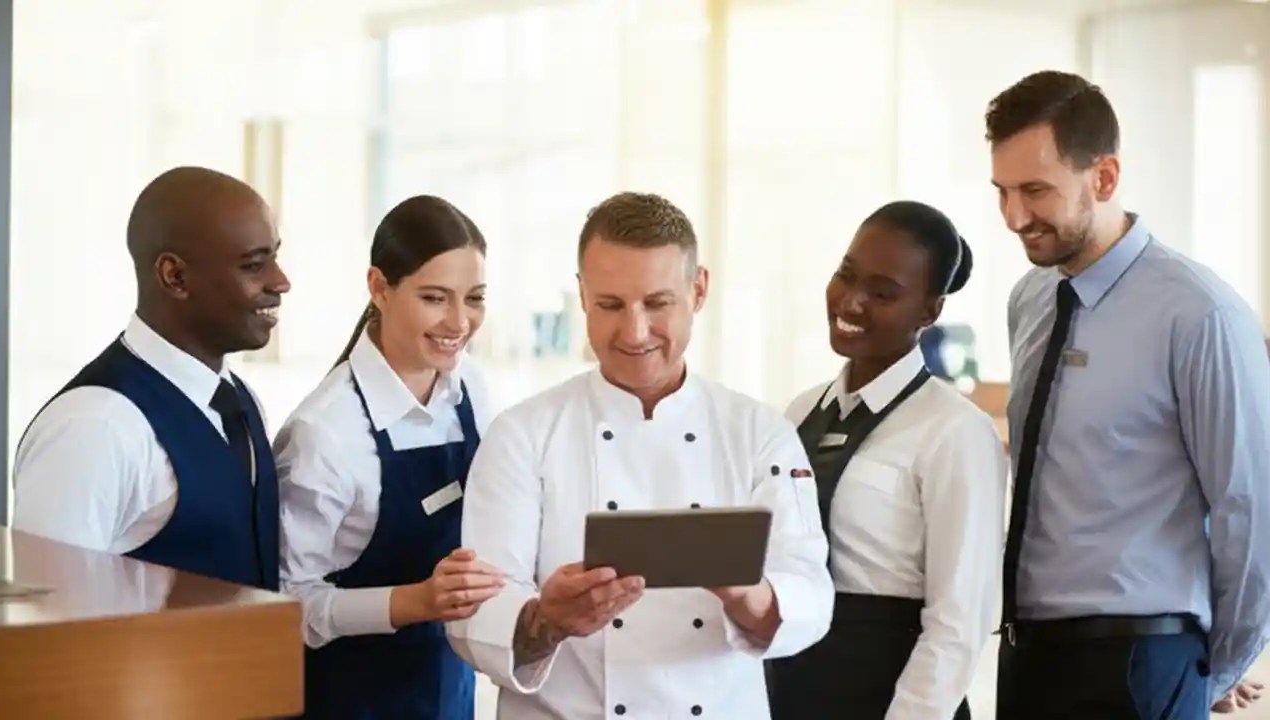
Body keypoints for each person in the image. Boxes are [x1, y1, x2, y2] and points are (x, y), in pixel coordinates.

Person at [447, 192, 834, 719]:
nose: (634, 332)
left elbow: (811, 593)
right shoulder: (522, 435)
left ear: (698, 291)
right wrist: (548, 618)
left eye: (657, 303)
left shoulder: (760, 432)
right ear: (581, 296)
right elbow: (474, 616)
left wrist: (747, 594)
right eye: (610, 305)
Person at [988, 70, 1270, 719]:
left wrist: (1208, 671)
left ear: (1105, 178)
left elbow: (1250, 514)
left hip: (1143, 662)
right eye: (1001, 191)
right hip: (1028, 656)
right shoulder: (1030, 299)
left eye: (1035, 191)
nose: (1013, 217)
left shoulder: (1200, 314)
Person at [769, 201, 1006, 720]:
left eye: (882, 293)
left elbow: (958, 620)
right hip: (793, 692)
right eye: (845, 276)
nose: (851, 302)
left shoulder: (956, 431)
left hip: (893, 697)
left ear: (930, 311)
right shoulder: (800, 412)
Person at [275, 195, 503, 719]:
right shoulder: (325, 433)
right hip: (350, 701)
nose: (460, 321)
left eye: (475, 298)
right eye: (434, 298)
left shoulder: (469, 386)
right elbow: (289, 608)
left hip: (448, 692)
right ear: (379, 287)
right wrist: (419, 601)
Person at [13, 166, 290, 591]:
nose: (281, 281)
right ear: (174, 277)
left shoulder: (238, 399)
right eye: (254, 265)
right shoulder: (94, 427)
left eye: (274, 256)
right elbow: (45, 625)